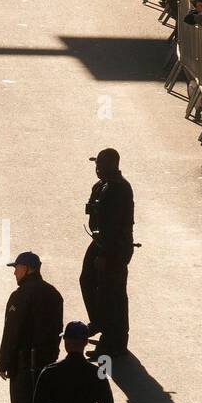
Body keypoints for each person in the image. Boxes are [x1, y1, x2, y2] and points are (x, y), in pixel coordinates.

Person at [0, 252, 64, 403]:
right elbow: (57, 331)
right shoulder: (54, 294)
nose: (15, 272)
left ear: (28, 268)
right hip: (48, 364)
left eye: (17, 267)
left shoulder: (21, 295)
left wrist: (3, 361)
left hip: (24, 365)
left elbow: (12, 332)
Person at [80, 148, 135, 357]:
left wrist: (104, 255)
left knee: (112, 294)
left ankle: (112, 342)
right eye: (96, 165)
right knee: (87, 280)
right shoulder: (102, 186)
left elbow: (114, 227)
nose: (97, 169)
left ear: (113, 165)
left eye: (101, 165)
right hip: (100, 242)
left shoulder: (119, 189)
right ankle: (100, 321)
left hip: (113, 248)